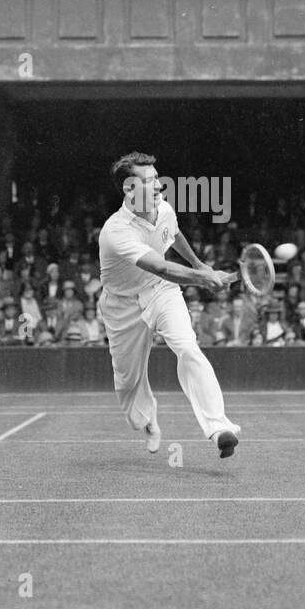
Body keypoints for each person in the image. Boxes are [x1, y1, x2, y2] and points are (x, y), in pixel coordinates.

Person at [97, 152, 243, 458]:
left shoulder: (163, 208)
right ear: (128, 189)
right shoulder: (115, 232)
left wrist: (200, 264)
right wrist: (204, 279)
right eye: (149, 181)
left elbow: (173, 235)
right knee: (127, 383)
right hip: (122, 305)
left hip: (161, 292)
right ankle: (148, 418)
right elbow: (161, 266)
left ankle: (218, 428)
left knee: (188, 346)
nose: (158, 185)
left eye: (156, 178)